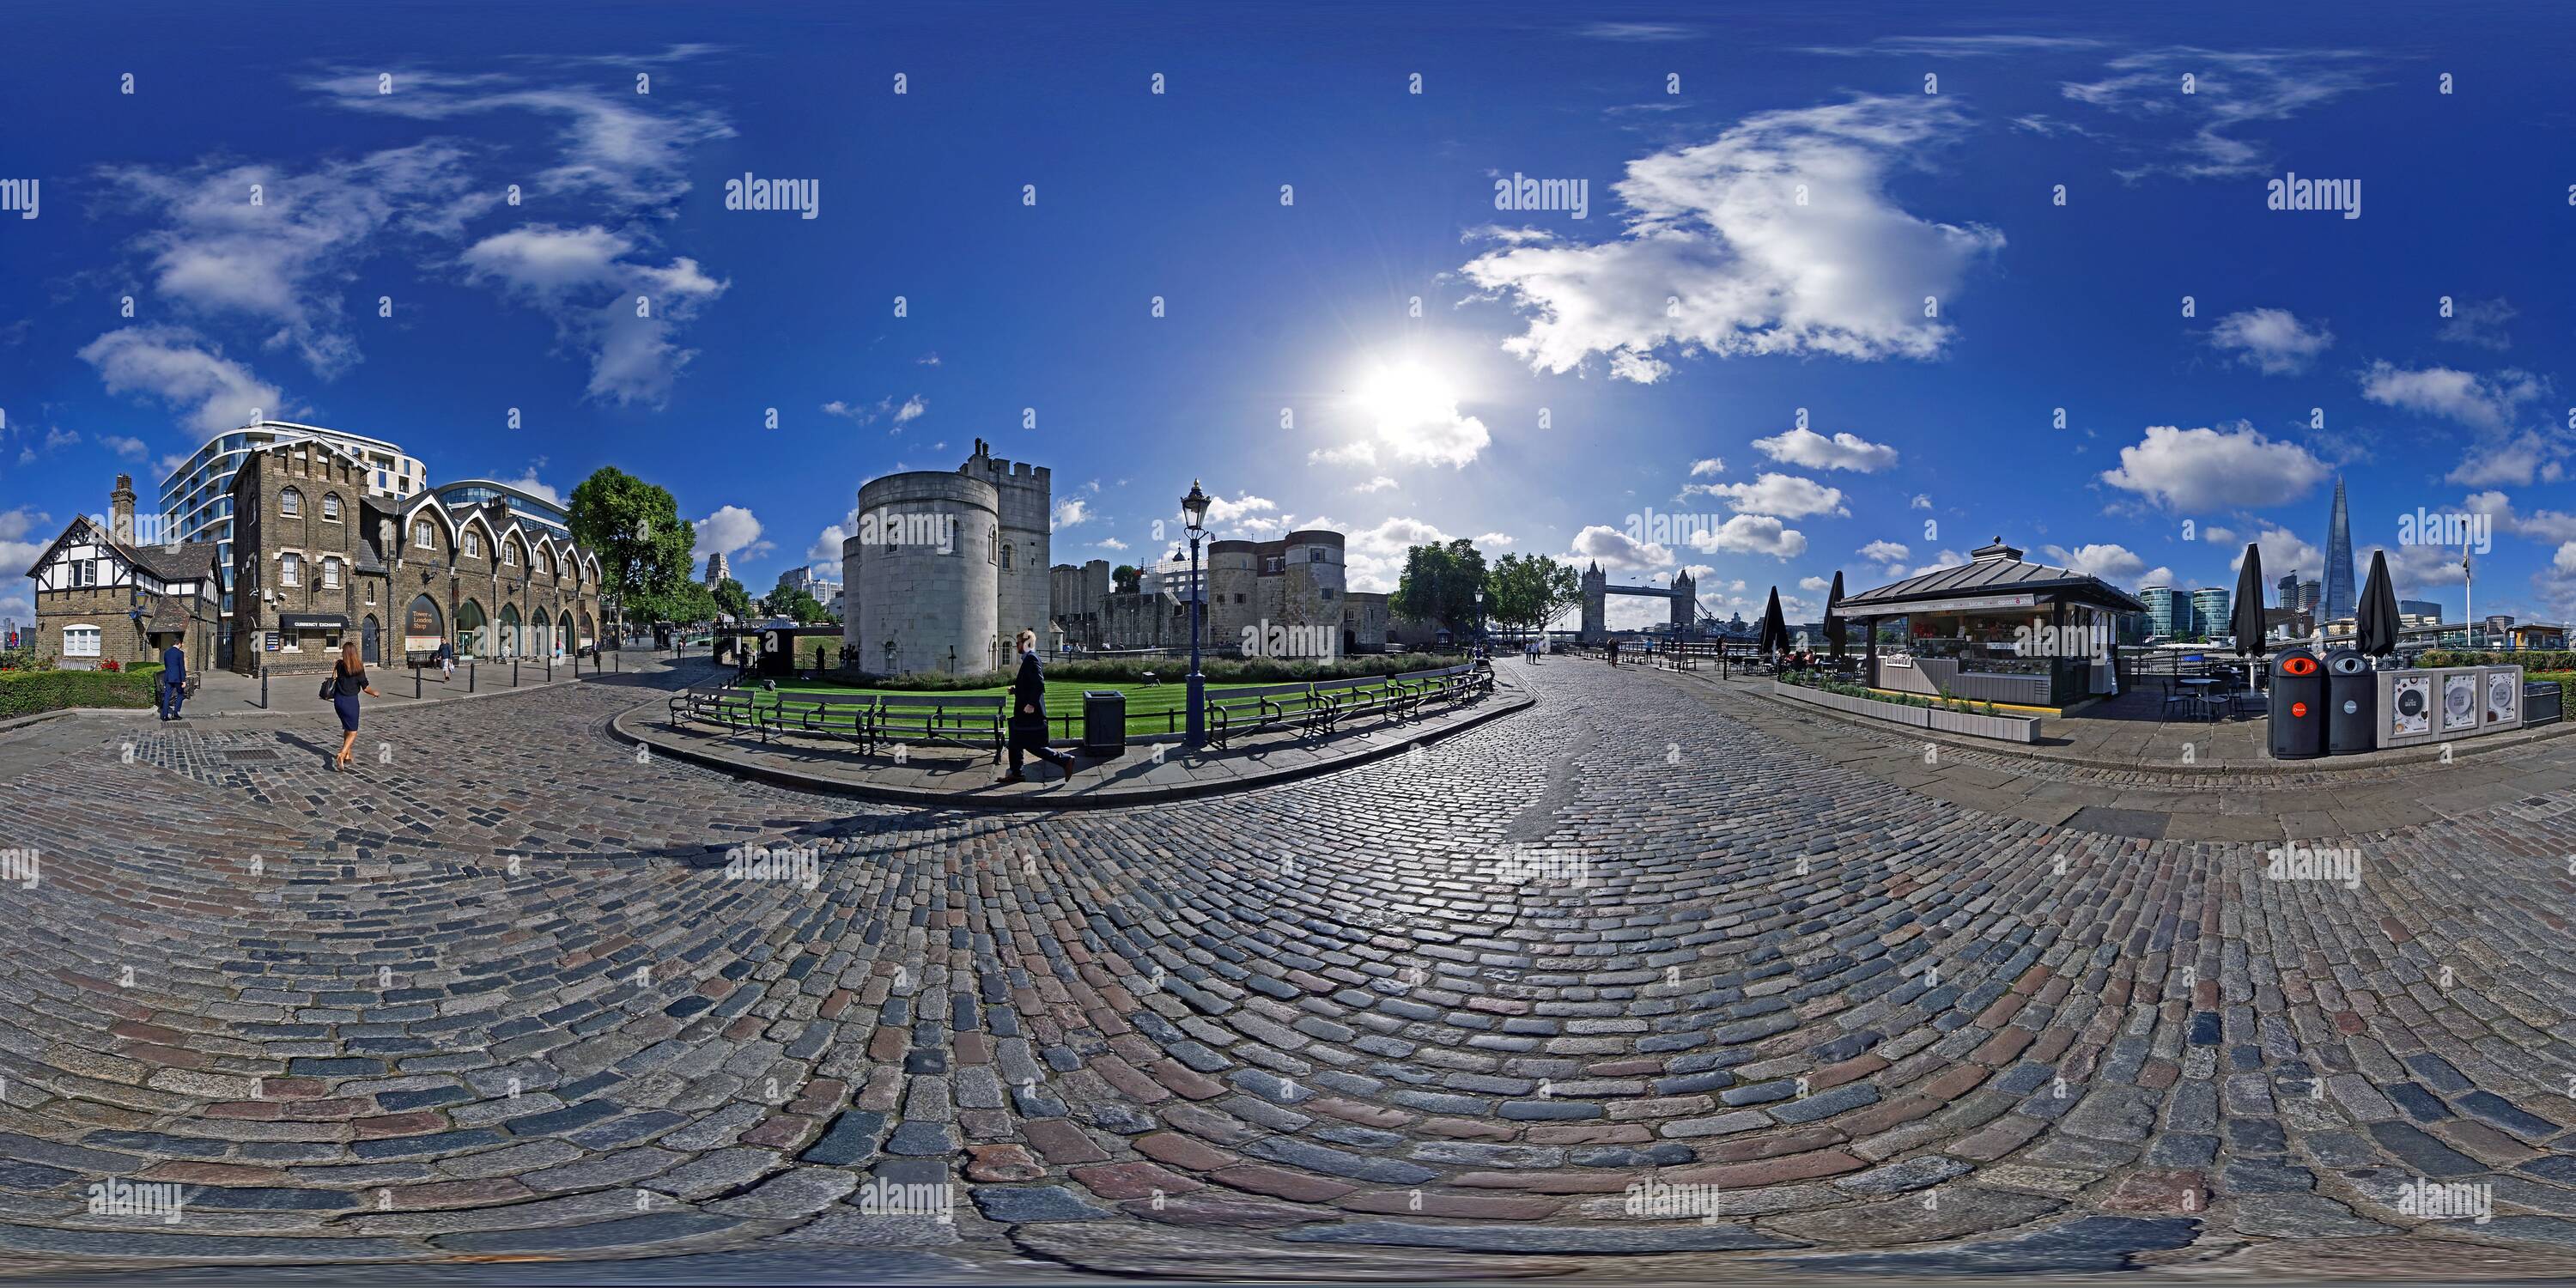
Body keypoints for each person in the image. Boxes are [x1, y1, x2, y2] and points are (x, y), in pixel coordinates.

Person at [1000, 628, 1078, 785]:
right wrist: (1016, 690)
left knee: (1033, 746)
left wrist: (1031, 704)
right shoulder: (1028, 659)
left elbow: (1039, 683)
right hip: (1025, 711)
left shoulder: (1032, 659)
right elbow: (1030, 684)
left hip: (1030, 712)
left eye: (1019, 642)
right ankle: (1017, 773)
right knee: (1015, 742)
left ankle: (1065, 760)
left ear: (1027, 643)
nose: (1017, 645)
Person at [329, 640, 378, 772]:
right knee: (354, 732)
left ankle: (348, 755)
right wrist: (375, 693)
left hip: (338, 701)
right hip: (350, 702)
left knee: (347, 728)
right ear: (355, 653)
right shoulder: (358, 667)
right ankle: (342, 754)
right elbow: (365, 688)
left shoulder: (339, 665)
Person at [158, 641, 186, 720]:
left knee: (167, 696)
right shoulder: (180, 653)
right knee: (180, 694)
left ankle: (164, 716)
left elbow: (167, 666)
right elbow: (181, 667)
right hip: (177, 678)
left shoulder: (166, 652)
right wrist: (183, 680)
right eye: (182, 644)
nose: (182, 645)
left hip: (168, 677)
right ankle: (175, 713)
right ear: (179, 643)